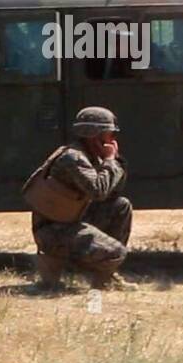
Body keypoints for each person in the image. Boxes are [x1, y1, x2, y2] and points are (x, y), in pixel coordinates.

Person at [29, 107, 137, 291]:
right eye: (108, 134)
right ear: (95, 135)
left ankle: (105, 275)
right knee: (116, 253)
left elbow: (113, 191)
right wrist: (110, 161)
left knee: (121, 206)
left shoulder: (89, 155)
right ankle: (58, 269)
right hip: (54, 229)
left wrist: (115, 161)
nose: (112, 139)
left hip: (71, 219)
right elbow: (98, 191)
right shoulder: (74, 158)